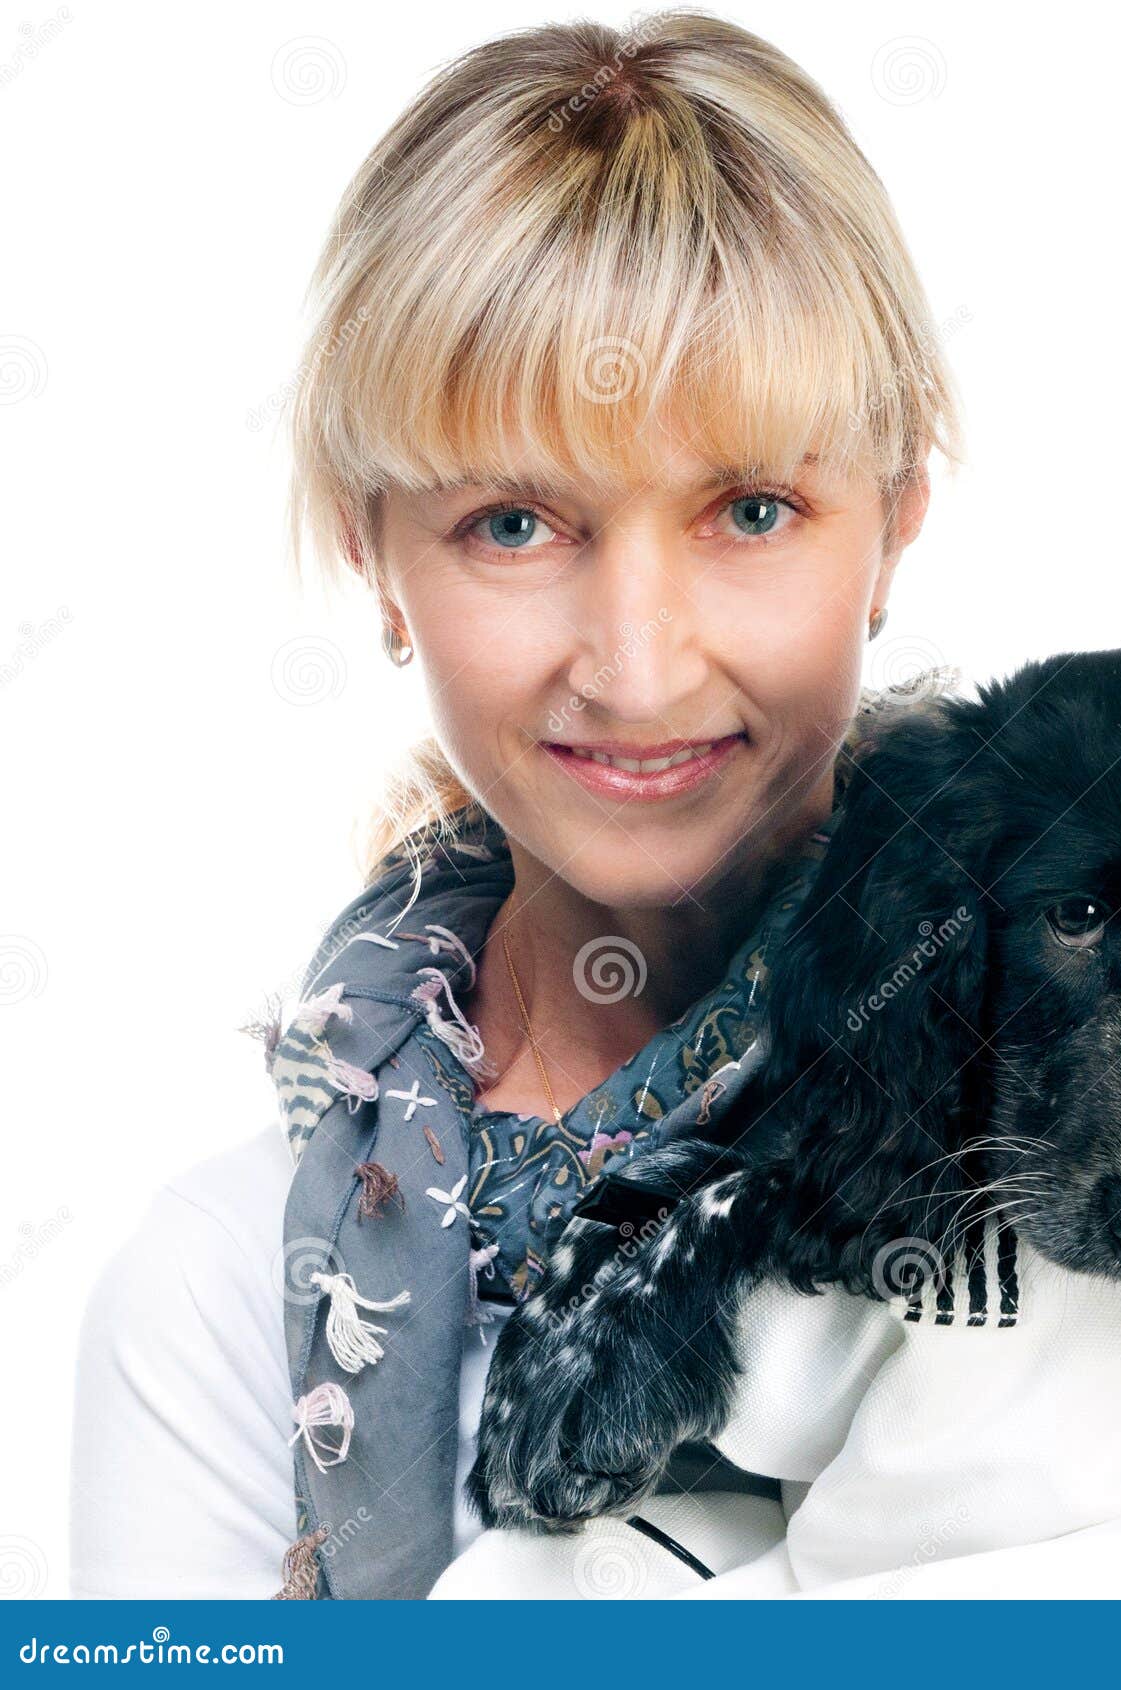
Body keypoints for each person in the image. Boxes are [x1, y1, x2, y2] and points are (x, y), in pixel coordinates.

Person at [68, 10, 963, 1598]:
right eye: (512, 523)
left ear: (896, 521)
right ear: (375, 552)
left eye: (753, 508)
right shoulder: (227, 1294)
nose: (636, 666)